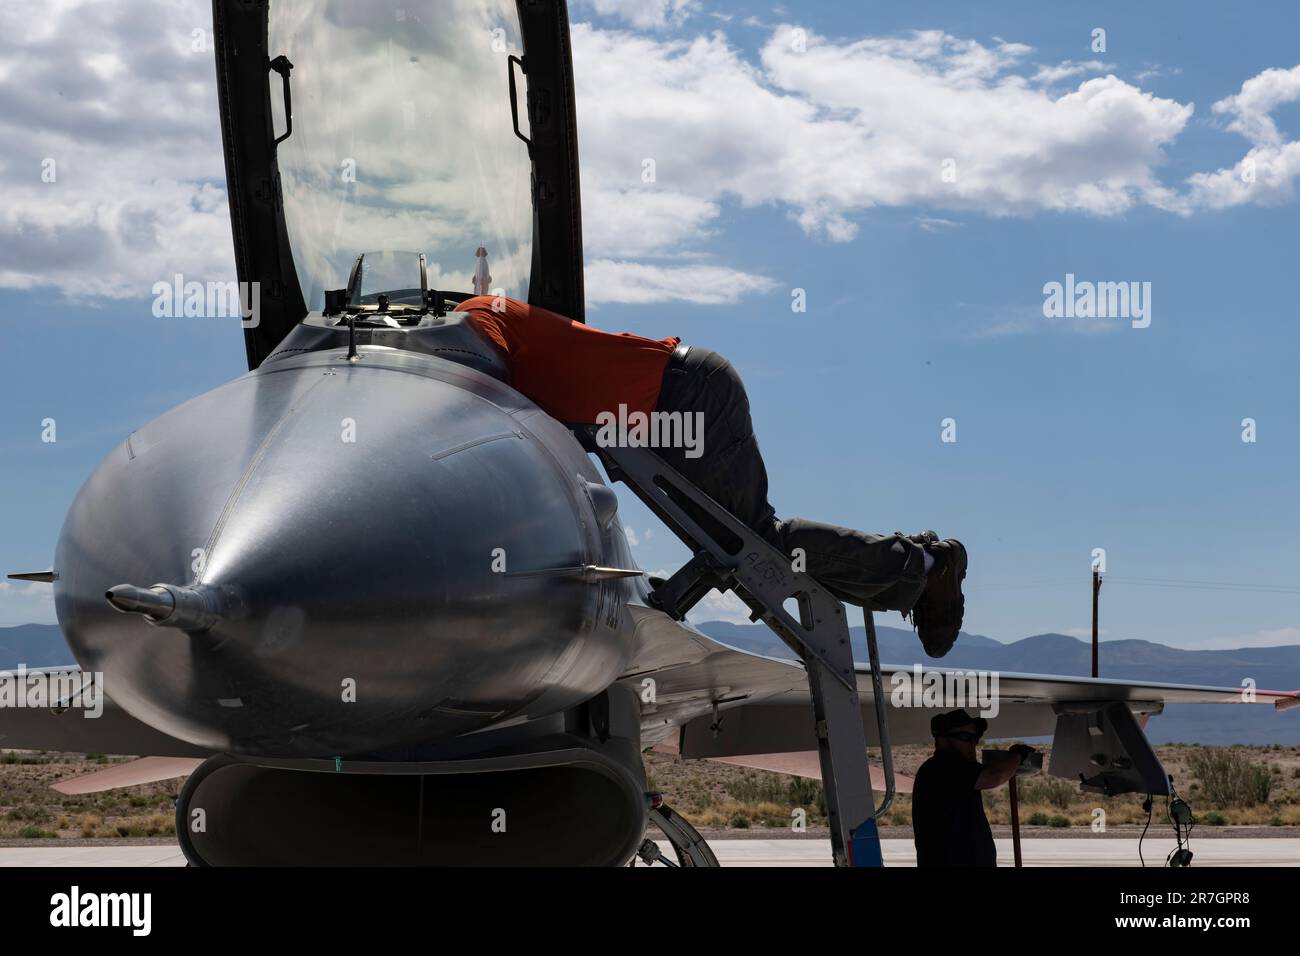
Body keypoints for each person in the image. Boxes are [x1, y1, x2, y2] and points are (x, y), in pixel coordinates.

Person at [455, 294, 968, 656]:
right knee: (743, 552)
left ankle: (925, 566)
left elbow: (479, 371)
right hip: (671, 405)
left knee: (750, 543)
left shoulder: (475, 318)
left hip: (686, 396)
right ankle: (913, 579)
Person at [911, 709, 1034, 867]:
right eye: (964, 737)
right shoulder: (943, 767)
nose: (972, 743)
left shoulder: (951, 768)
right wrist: (1017, 756)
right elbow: (994, 776)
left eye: (975, 738)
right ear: (941, 739)